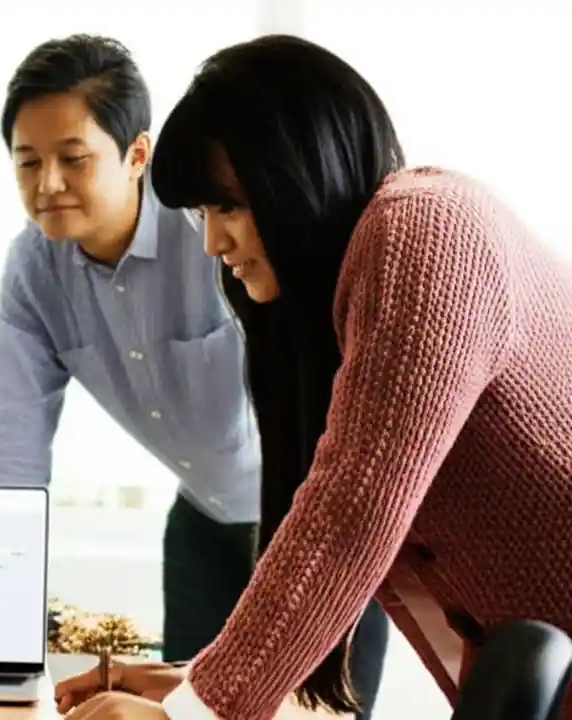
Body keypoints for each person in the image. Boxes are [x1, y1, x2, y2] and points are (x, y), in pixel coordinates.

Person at [53, 33, 572, 720]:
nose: (213, 242)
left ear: (298, 171)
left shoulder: (425, 227)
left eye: (228, 206)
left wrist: (196, 710)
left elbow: (350, 507)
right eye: (202, 215)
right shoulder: (344, 301)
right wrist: (196, 682)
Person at [0, 33, 391, 717]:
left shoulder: (221, 230)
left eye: (72, 159)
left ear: (137, 153)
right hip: (202, 525)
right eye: (28, 163)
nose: (47, 185)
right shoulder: (33, 273)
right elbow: (14, 457)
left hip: (313, 521)